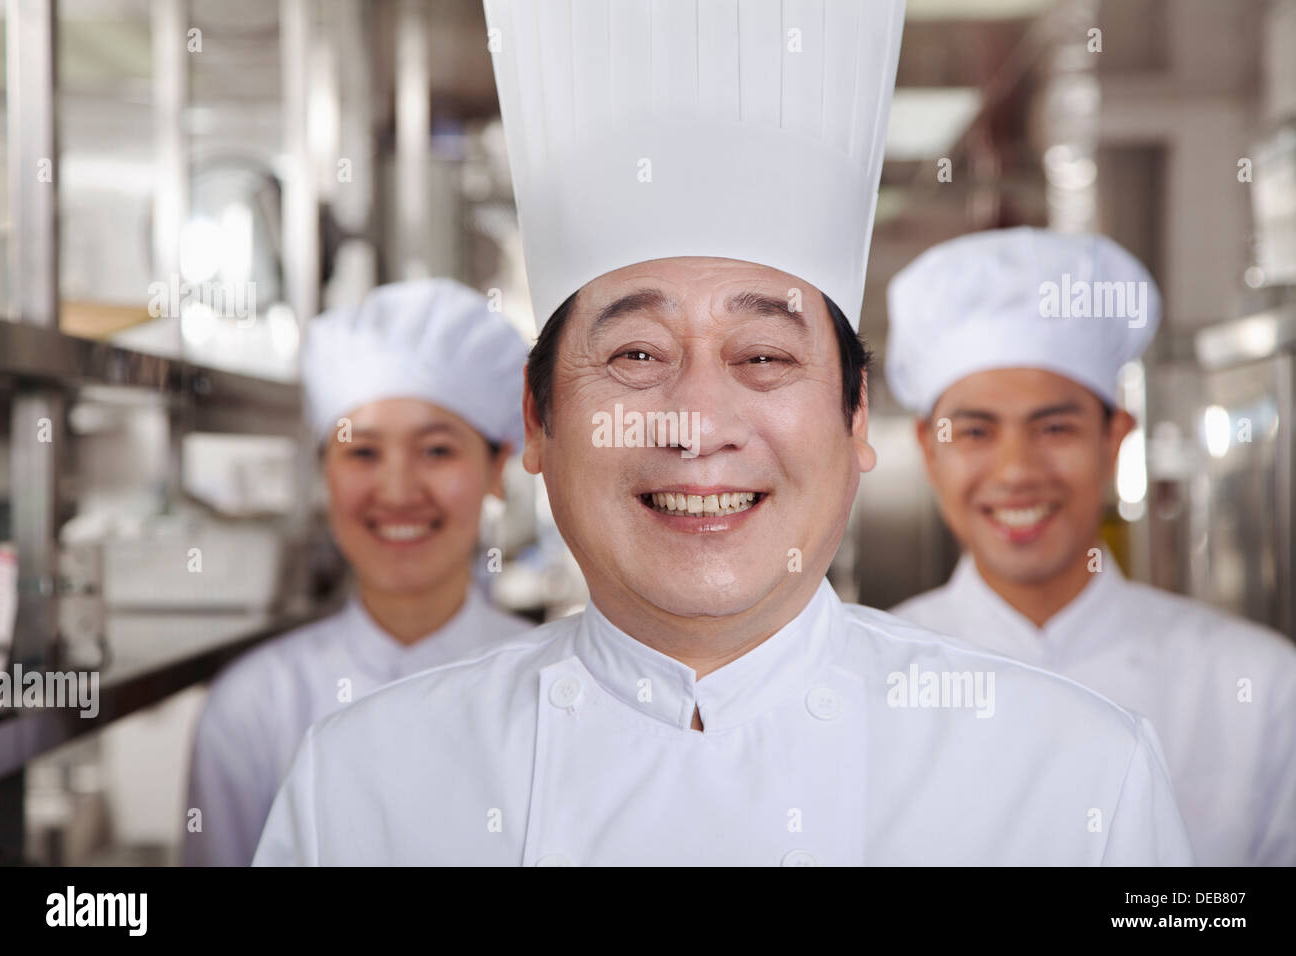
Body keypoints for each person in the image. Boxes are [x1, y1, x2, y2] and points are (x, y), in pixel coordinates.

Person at [252, 0, 1192, 866]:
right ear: (537, 422)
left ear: (857, 417)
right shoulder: (359, 790)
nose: (698, 424)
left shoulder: (1079, 781)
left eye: (766, 357)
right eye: (634, 356)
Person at [885, 226, 1296, 866]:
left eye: (1054, 427)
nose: (1017, 470)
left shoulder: (1258, 686)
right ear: (928, 450)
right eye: (974, 431)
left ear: (1114, 440)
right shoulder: (862, 681)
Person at [183, 279, 532, 866]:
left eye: (437, 450)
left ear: (498, 466)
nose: (396, 492)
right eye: (362, 452)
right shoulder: (252, 709)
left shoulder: (553, 691)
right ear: (324, 471)